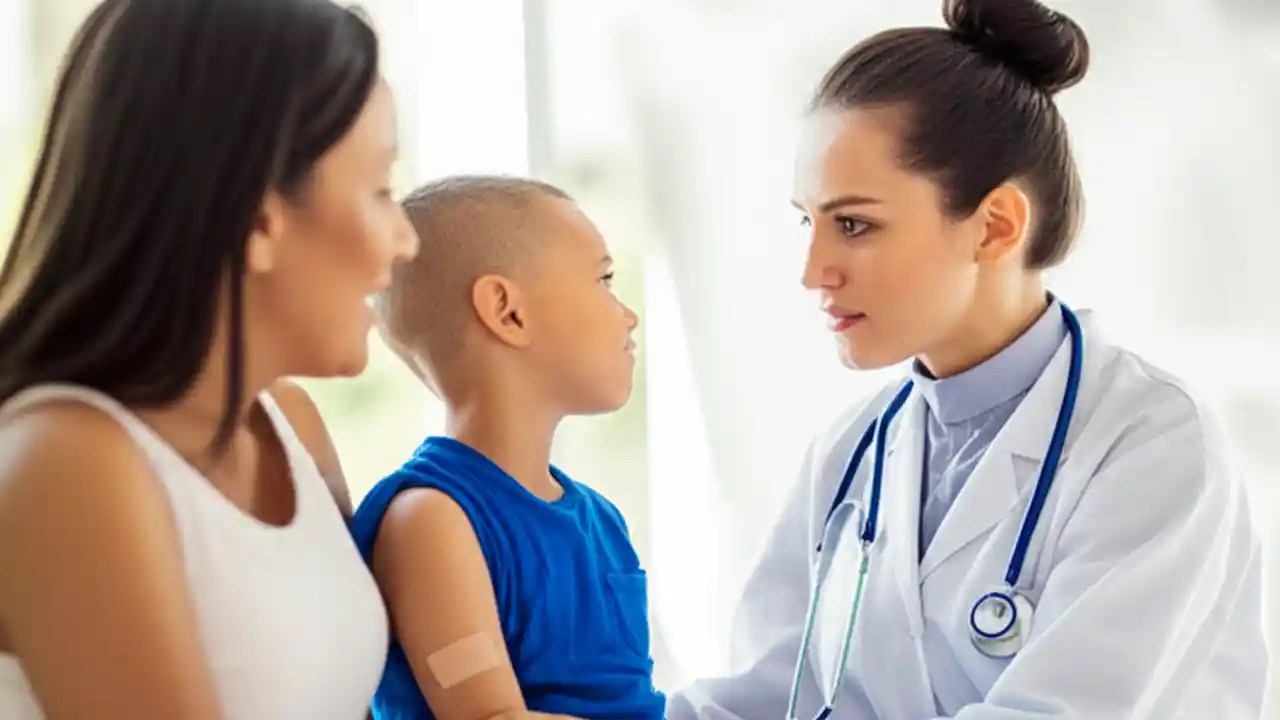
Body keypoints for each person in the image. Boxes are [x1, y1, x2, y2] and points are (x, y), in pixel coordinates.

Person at [667, 0, 1269, 717]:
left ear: (995, 225)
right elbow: (766, 699)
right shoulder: (851, 451)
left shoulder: (1152, 443)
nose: (813, 270)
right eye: (809, 221)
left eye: (854, 224)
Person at [0, 0, 421, 717]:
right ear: (258, 216)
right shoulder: (65, 462)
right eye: (380, 190)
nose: (405, 240)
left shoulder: (291, 424)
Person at [348, 175, 662, 720]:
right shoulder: (432, 520)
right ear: (507, 311)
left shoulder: (602, 519)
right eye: (604, 280)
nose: (628, 315)